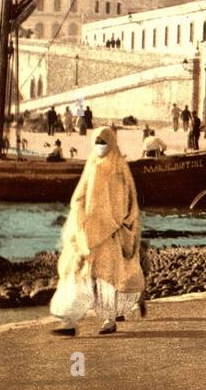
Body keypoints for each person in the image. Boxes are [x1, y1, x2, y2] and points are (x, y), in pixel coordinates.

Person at [49, 127, 145, 336]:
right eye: (97, 141)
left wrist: (109, 224)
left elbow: (124, 203)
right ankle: (70, 322)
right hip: (87, 233)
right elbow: (80, 195)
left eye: (103, 141)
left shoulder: (119, 169)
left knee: (105, 280)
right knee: (78, 276)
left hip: (108, 235)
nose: (100, 145)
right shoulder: (91, 165)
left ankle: (109, 321)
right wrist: (80, 217)